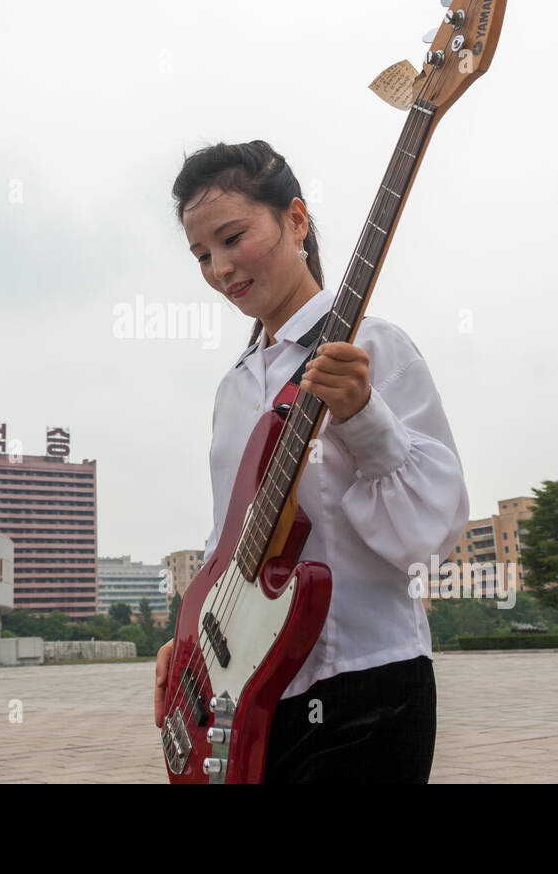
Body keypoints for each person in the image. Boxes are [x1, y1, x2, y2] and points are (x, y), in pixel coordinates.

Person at [153, 140, 470, 782]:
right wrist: (190, 646)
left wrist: (363, 415)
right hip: (252, 694)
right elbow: (227, 543)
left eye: (232, 236)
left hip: (367, 684)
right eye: (201, 254)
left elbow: (430, 540)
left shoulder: (376, 347)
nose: (219, 268)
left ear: (295, 219)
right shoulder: (235, 387)